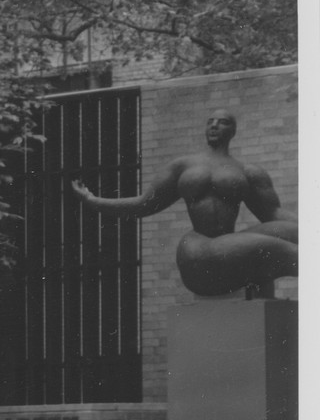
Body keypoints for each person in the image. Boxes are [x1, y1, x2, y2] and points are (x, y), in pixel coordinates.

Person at [72, 109, 297, 297]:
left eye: (223, 122)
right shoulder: (184, 166)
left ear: (233, 131)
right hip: (198, 251)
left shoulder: (248, 172)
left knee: (292, 232)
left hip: (228, 248)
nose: (215, 126)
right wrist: (94, 201)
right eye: (211, 122)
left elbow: (274, 213)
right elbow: (143, 204)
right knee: (292, 253)